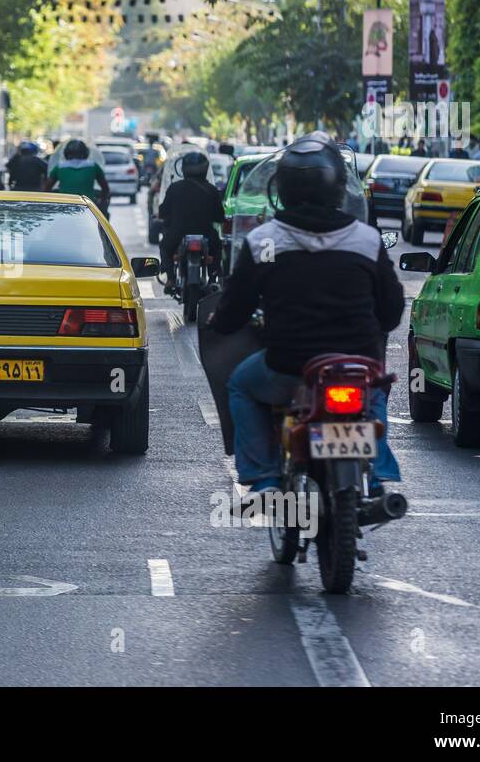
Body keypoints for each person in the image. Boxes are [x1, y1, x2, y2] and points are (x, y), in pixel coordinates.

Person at [211, 133, 404, 495]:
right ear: (339, 187)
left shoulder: (265, 240)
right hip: (358, 362)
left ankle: (264, 478)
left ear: (281, 187)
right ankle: (376, 476)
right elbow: (392, 311)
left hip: (288, 365)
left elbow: (234, 309)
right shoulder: (366, 239)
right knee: (374, 389)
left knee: (240, 385)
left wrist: (219, 322)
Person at [157, 151, 223, 297]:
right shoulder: (212, 190)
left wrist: (162, 215)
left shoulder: (175, 188)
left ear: (184, 169)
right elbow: (220, 217)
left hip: (178, 233)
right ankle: (213, 278)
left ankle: (170, 278)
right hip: (206, 233)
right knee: (218, 248)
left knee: (164, 247)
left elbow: (163, 211)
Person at [46, 139, 110, 208]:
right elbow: (105, 188)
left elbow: (47, 188)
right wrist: (102, 203)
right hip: (88, 206)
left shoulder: (60, 167)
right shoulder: (93, 166)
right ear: (86, 152)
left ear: (66, 153)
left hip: (64, 206)